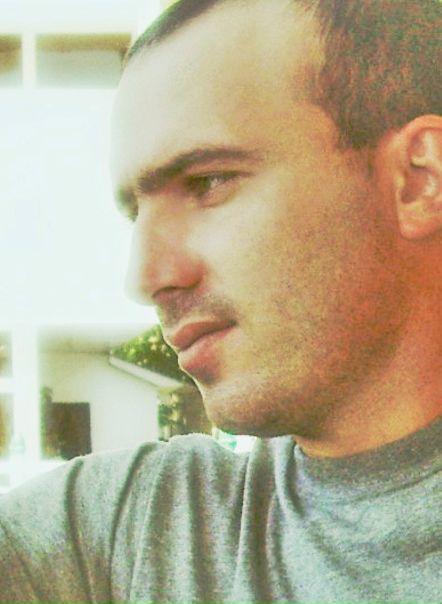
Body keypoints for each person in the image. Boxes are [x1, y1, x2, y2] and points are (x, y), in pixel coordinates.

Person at [1, 0, 441, 602]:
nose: (145, 277)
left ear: (418, 179)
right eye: (135, 214)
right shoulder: (125, 530)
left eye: (207, 183)